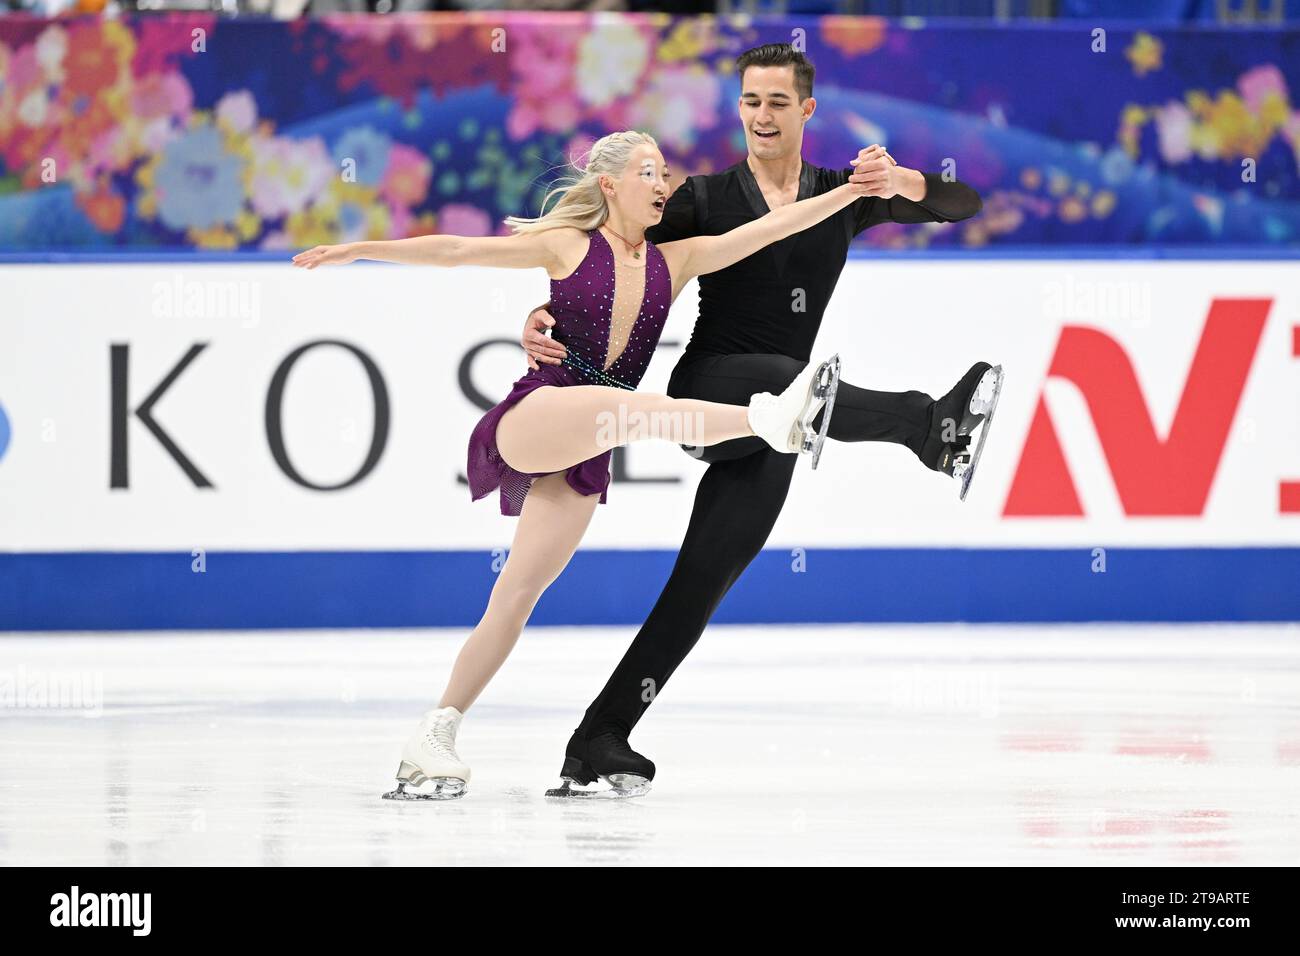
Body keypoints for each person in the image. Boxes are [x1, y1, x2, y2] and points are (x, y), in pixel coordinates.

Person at [293, 129, 873, 800]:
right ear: (610, 185)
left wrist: (847, 194)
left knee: (515, 597)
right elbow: (455, 250)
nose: (663, 185)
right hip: (539, 416)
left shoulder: (675, 261)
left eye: (664, 173)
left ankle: (433, 735)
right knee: (626, 410)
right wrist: (359, 249)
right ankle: (766, 420)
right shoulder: (568, 245)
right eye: (649, 172)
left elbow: (771, 229)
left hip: (586, 447)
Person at [520, 44, 1001, 798]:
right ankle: (927, 427)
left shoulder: (842, 194)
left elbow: (961, 201)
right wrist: (547, 312)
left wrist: (897, 180)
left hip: (785, 420)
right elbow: (609, 248)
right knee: (785, 380)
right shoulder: (704, 199)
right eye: (750, 101)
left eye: (777, 101)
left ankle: (599, 736)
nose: (762, 115)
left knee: (702, 582)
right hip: (712, 390)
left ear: (807, 110)